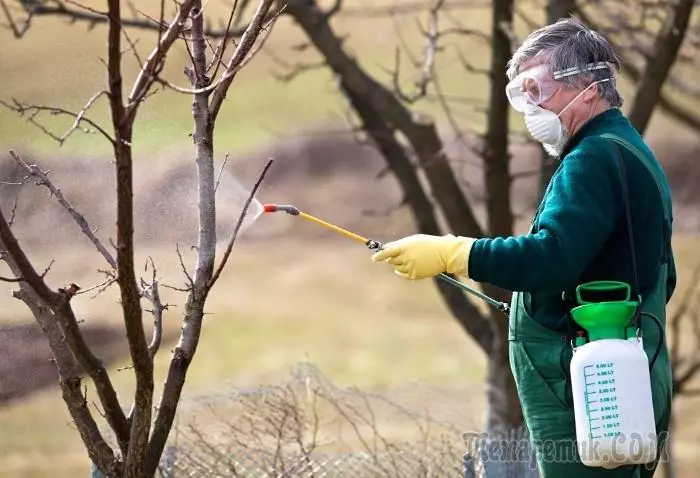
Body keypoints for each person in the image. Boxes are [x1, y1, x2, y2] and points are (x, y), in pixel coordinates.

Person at [371, 18, 675, 478]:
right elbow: (657, 276)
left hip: (591, 389)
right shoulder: (625, 150)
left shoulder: (592, 160)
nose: (530, 106)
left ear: (589, 87)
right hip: (620, 378)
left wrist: (457, 253)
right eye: (521, 93)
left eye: (538, 88)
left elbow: (551, 258)